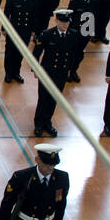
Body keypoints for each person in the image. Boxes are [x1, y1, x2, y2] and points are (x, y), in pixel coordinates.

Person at [33, 9, 80, 137]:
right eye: (62, 22)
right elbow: (36, 53)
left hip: (62, 71)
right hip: (47, 71)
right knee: (43, 98)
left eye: (67, 22)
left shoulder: (73, 34)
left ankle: (47, 122)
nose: (65, 25)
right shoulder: (47, 34)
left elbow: (73, 53)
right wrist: (36, 69)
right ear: (56, 21)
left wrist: (71, 69)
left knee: (54, 98)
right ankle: (38, 124)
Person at [2, 0, 38, 84]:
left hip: (26, 30)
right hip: (13, 30)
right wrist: (4, 28)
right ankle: (8, 73)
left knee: (20, 53)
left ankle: (16, 72)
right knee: (10, 52)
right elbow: (6, 14)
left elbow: (34, 16)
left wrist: (33, 30)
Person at [66, 0, 100, 81]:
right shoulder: (75, 0)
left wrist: (92, 32)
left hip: (86, 33)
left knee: (79, 54)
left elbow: (96, 17)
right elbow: (70, 16)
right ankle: (67, 71)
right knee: (71, 53)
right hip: (75, 32)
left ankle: (73, 71)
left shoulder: (95, 1)